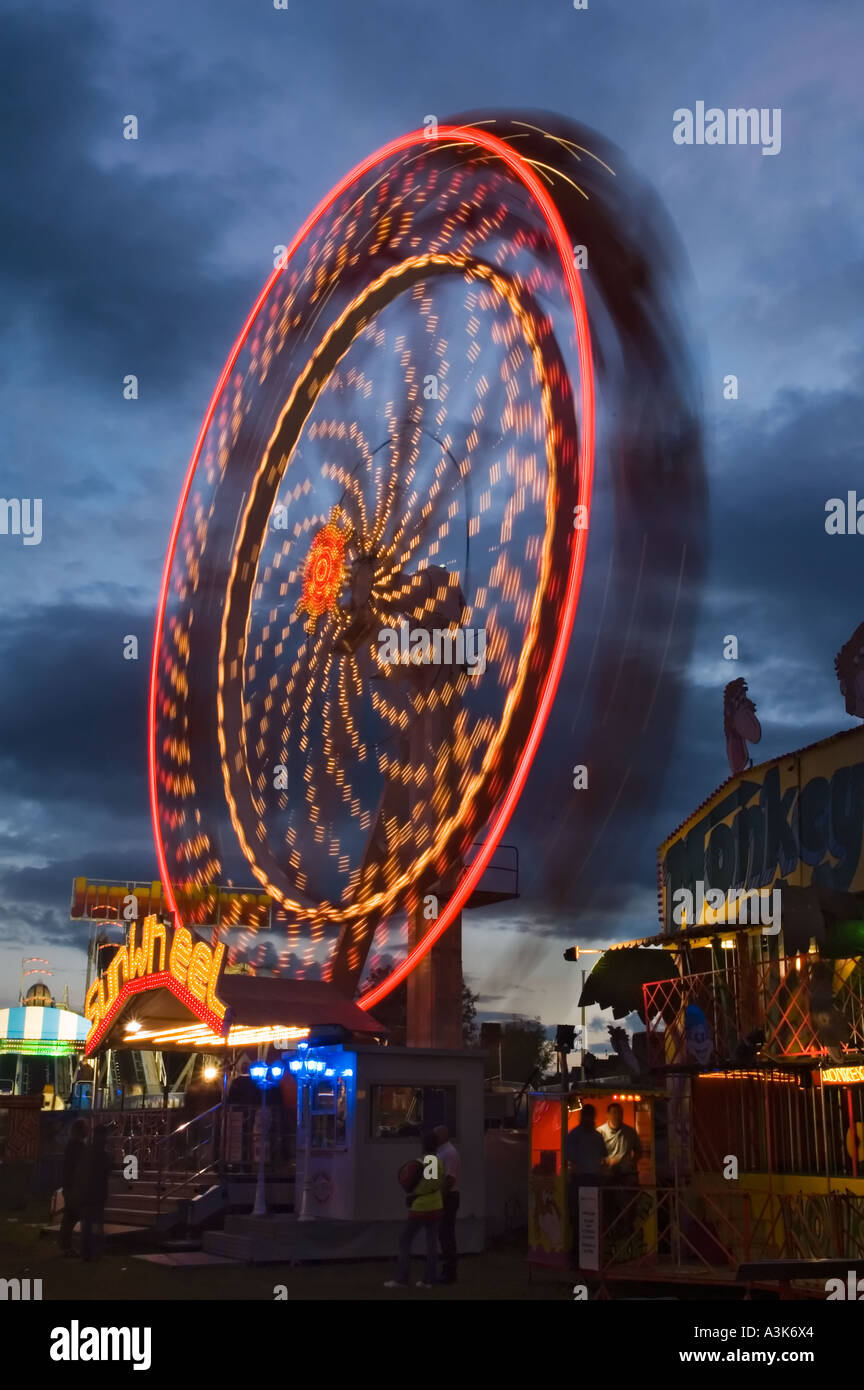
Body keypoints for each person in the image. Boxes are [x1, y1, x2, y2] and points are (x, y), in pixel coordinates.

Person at [384, 1130, 444, 1289]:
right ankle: (429, 1279)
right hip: (436, 1205)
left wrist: (414, 1194)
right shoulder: (435, 1160)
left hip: (423, 1206)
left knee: (405, 1239)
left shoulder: (430, 1160)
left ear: (425, 1144)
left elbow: (429, 1184)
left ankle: (402, 1278)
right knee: (431, 1242)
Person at [564, 1102, 607, 1266]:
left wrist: (602, 1169)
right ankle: (576, 1257)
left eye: (591, 1116)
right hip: (580, 1180)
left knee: (593, 1218)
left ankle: (592, 1255)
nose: (589, 1119)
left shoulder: (597, 1136)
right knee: (577, 1218)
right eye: (587, 1116)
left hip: (593, 1180)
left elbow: (603, 1157)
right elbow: (571, 1160)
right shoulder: (574, 1135)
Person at [77, 1125, 113, 1262]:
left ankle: (86, 1252)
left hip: (87, 1191)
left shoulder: (88, 1151)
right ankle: (96, 1251)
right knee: (96, 1223)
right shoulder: (102, 1154)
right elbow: (105, 1171)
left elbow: (82, 1170)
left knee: (87, 1223)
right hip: (97, 1192)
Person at [433, 1124, 460, 1284]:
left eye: (436, 1135)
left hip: (448, 1198)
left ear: (443, 1136)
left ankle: (450, 1273)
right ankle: (447, 1270)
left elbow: (450, 1179)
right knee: (444, 1235)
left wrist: (438, 1198)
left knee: (446, 1235)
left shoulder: (449, 1153)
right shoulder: (441, 1152)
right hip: (446, 1197)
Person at [58, 1118, 88, 1255]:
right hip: (74, 1186)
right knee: (72, 1216)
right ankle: (66, 1245)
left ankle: (65, 1244)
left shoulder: (72, 1146)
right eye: (86, 1128)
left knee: (71, 1216)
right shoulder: (77, 1147)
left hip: (71, 1185)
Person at [598, 1102, 642, 1184]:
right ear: (607, 1115)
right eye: (614, 1112)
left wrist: (632, 1162)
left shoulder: (630, 1132)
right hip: (607, 1174)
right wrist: (607, 1161)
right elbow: (594, 1154)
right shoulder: (600, 1132)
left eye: (620, 1113)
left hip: (626, 1174)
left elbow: (639, 1150)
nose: (618, 1116)